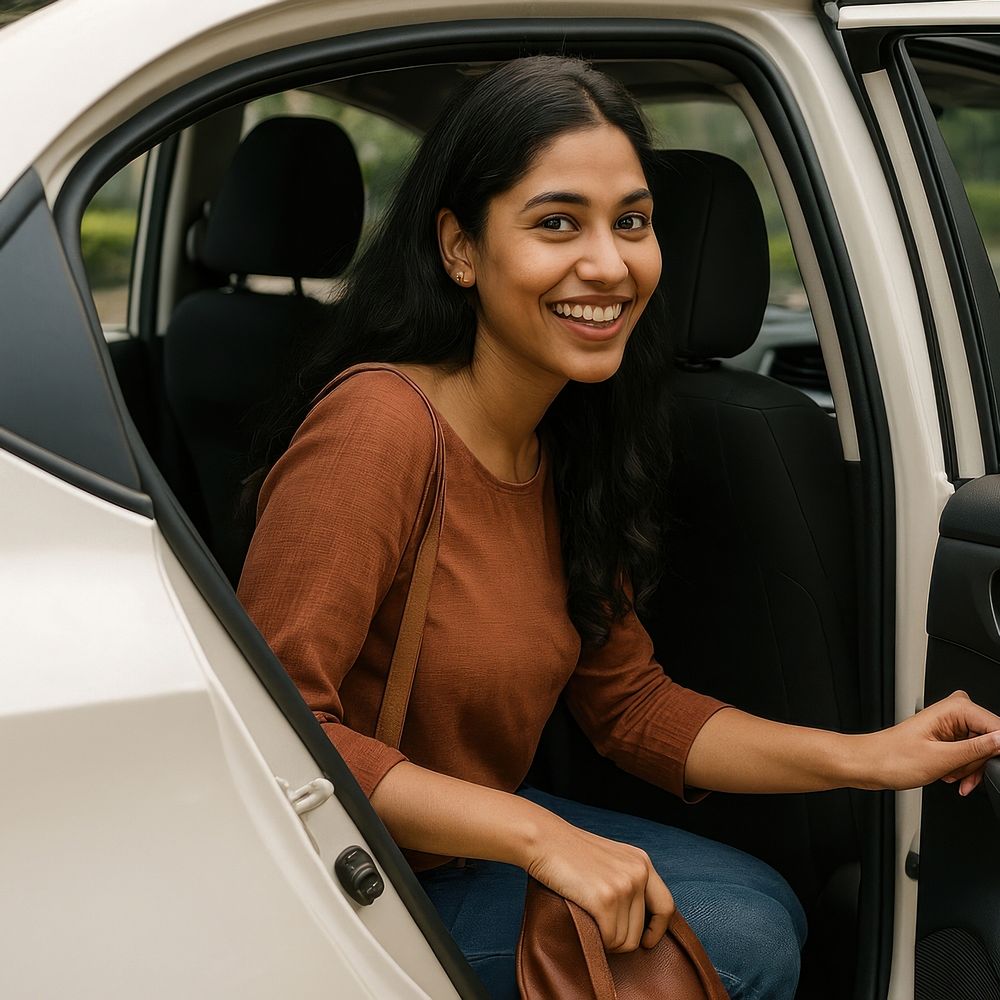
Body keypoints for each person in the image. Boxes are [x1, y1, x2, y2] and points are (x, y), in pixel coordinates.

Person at [237, 55, 1000, 1000]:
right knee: (742, 939)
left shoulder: (570, 438)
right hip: (345, 872)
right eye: (558, 222)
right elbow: (270, 739)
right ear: (460, 249)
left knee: (764, 902)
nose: (609, 263)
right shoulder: (379, 428)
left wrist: (868, 756)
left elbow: (630, 704)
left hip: (457, 840)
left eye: (631, 222)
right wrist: (542, 838)